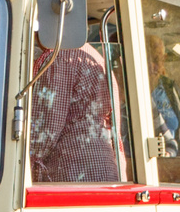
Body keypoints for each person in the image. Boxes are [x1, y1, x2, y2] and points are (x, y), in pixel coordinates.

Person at [29, 38, 122, 183]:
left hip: (73, 175)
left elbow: (41, 138)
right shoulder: (92, 54)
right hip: (106, 169)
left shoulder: (59, 57)